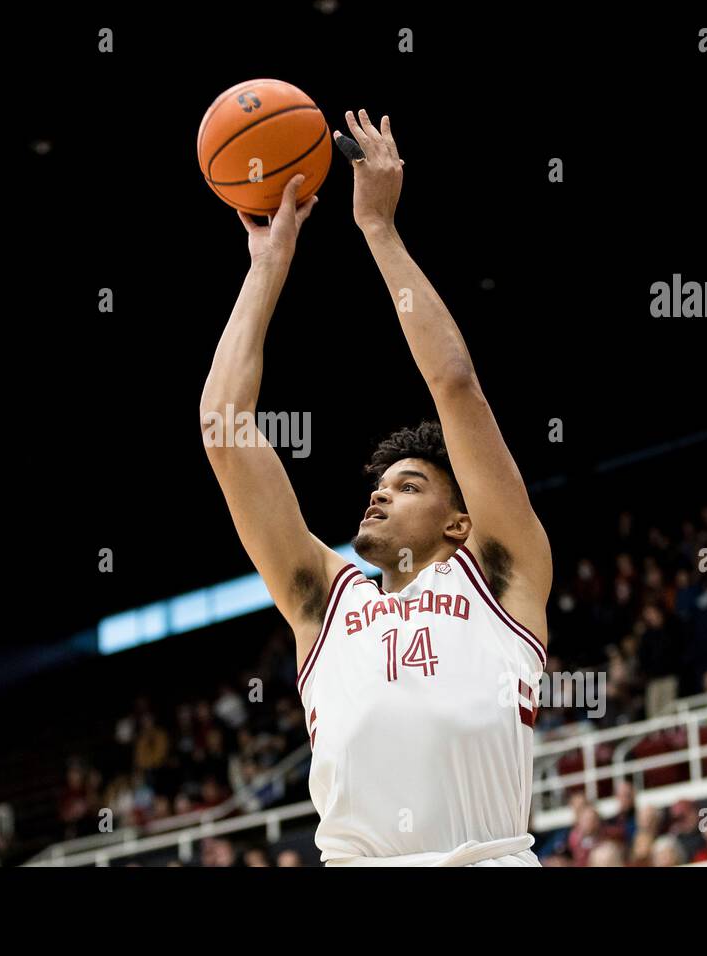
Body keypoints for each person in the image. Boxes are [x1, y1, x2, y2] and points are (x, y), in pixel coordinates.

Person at [201, 110, 551, 866]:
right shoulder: (325, 601)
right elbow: (221, 429)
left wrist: (379, 230)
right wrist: (266, 268)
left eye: (410, 484)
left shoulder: (499, 571)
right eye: (380, 485)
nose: (379, 495)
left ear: (460, 521)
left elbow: (454, 385)